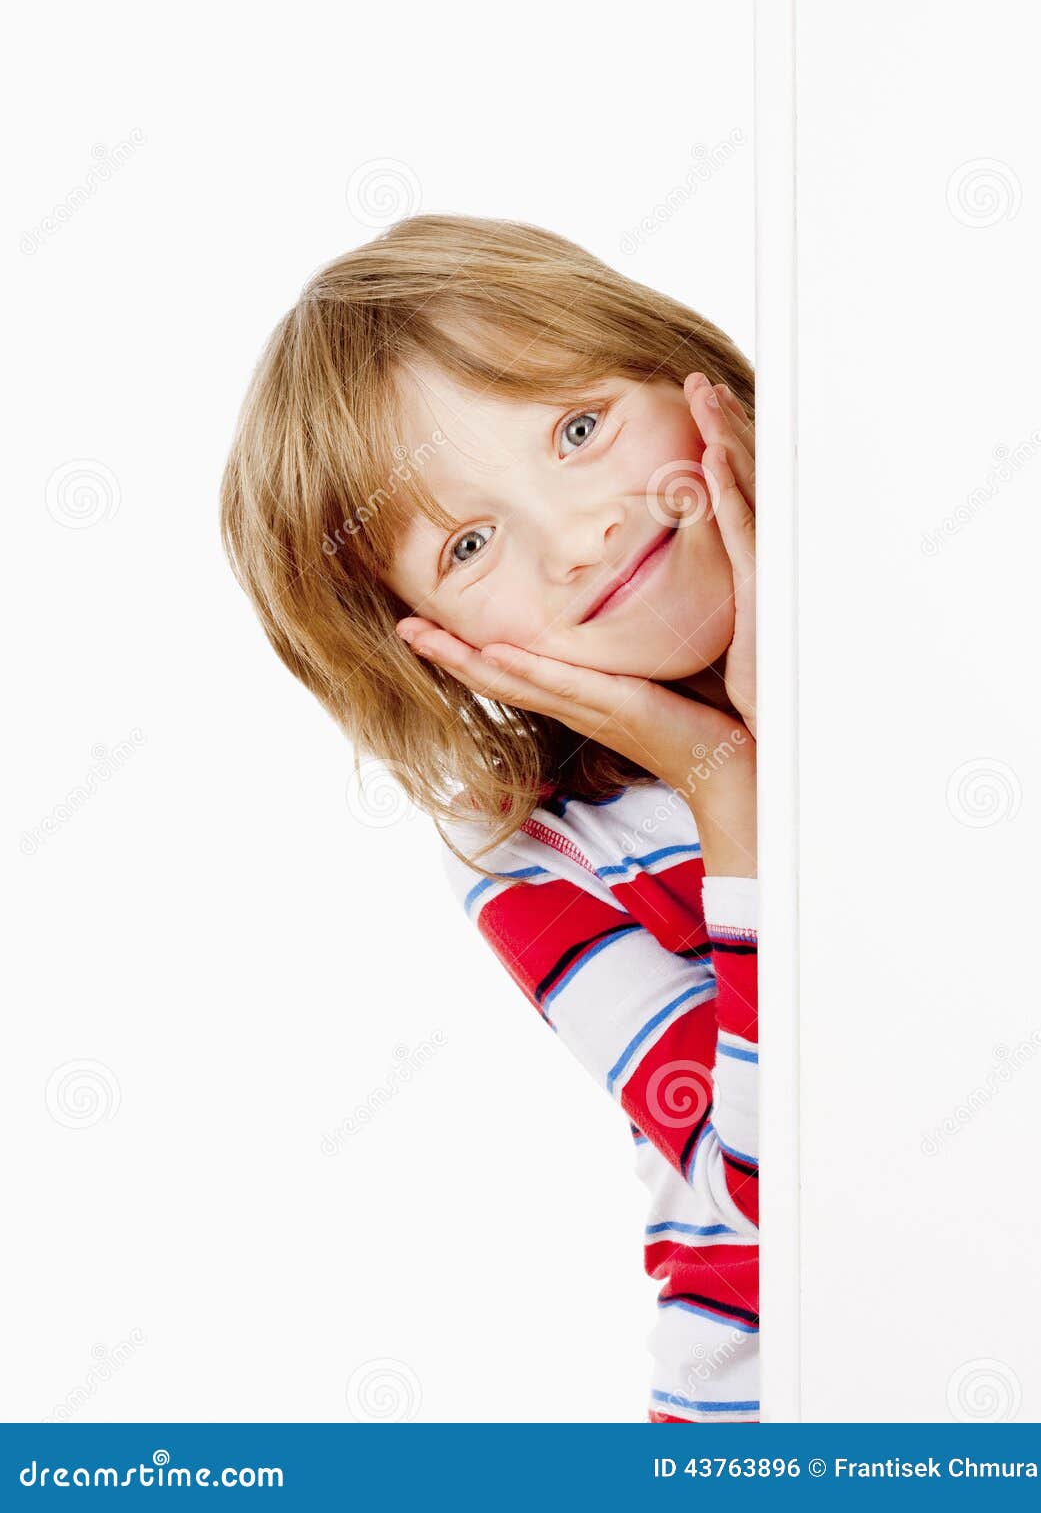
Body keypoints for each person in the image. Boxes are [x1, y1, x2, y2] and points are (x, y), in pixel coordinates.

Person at [219, 213, 759, 1421]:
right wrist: (728, 785)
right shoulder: (541, 863)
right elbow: (791, 1191)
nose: (581, 537)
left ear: (687, 371)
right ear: (435, 652)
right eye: (468, 542)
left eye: (578, 428)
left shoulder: (944, 621)